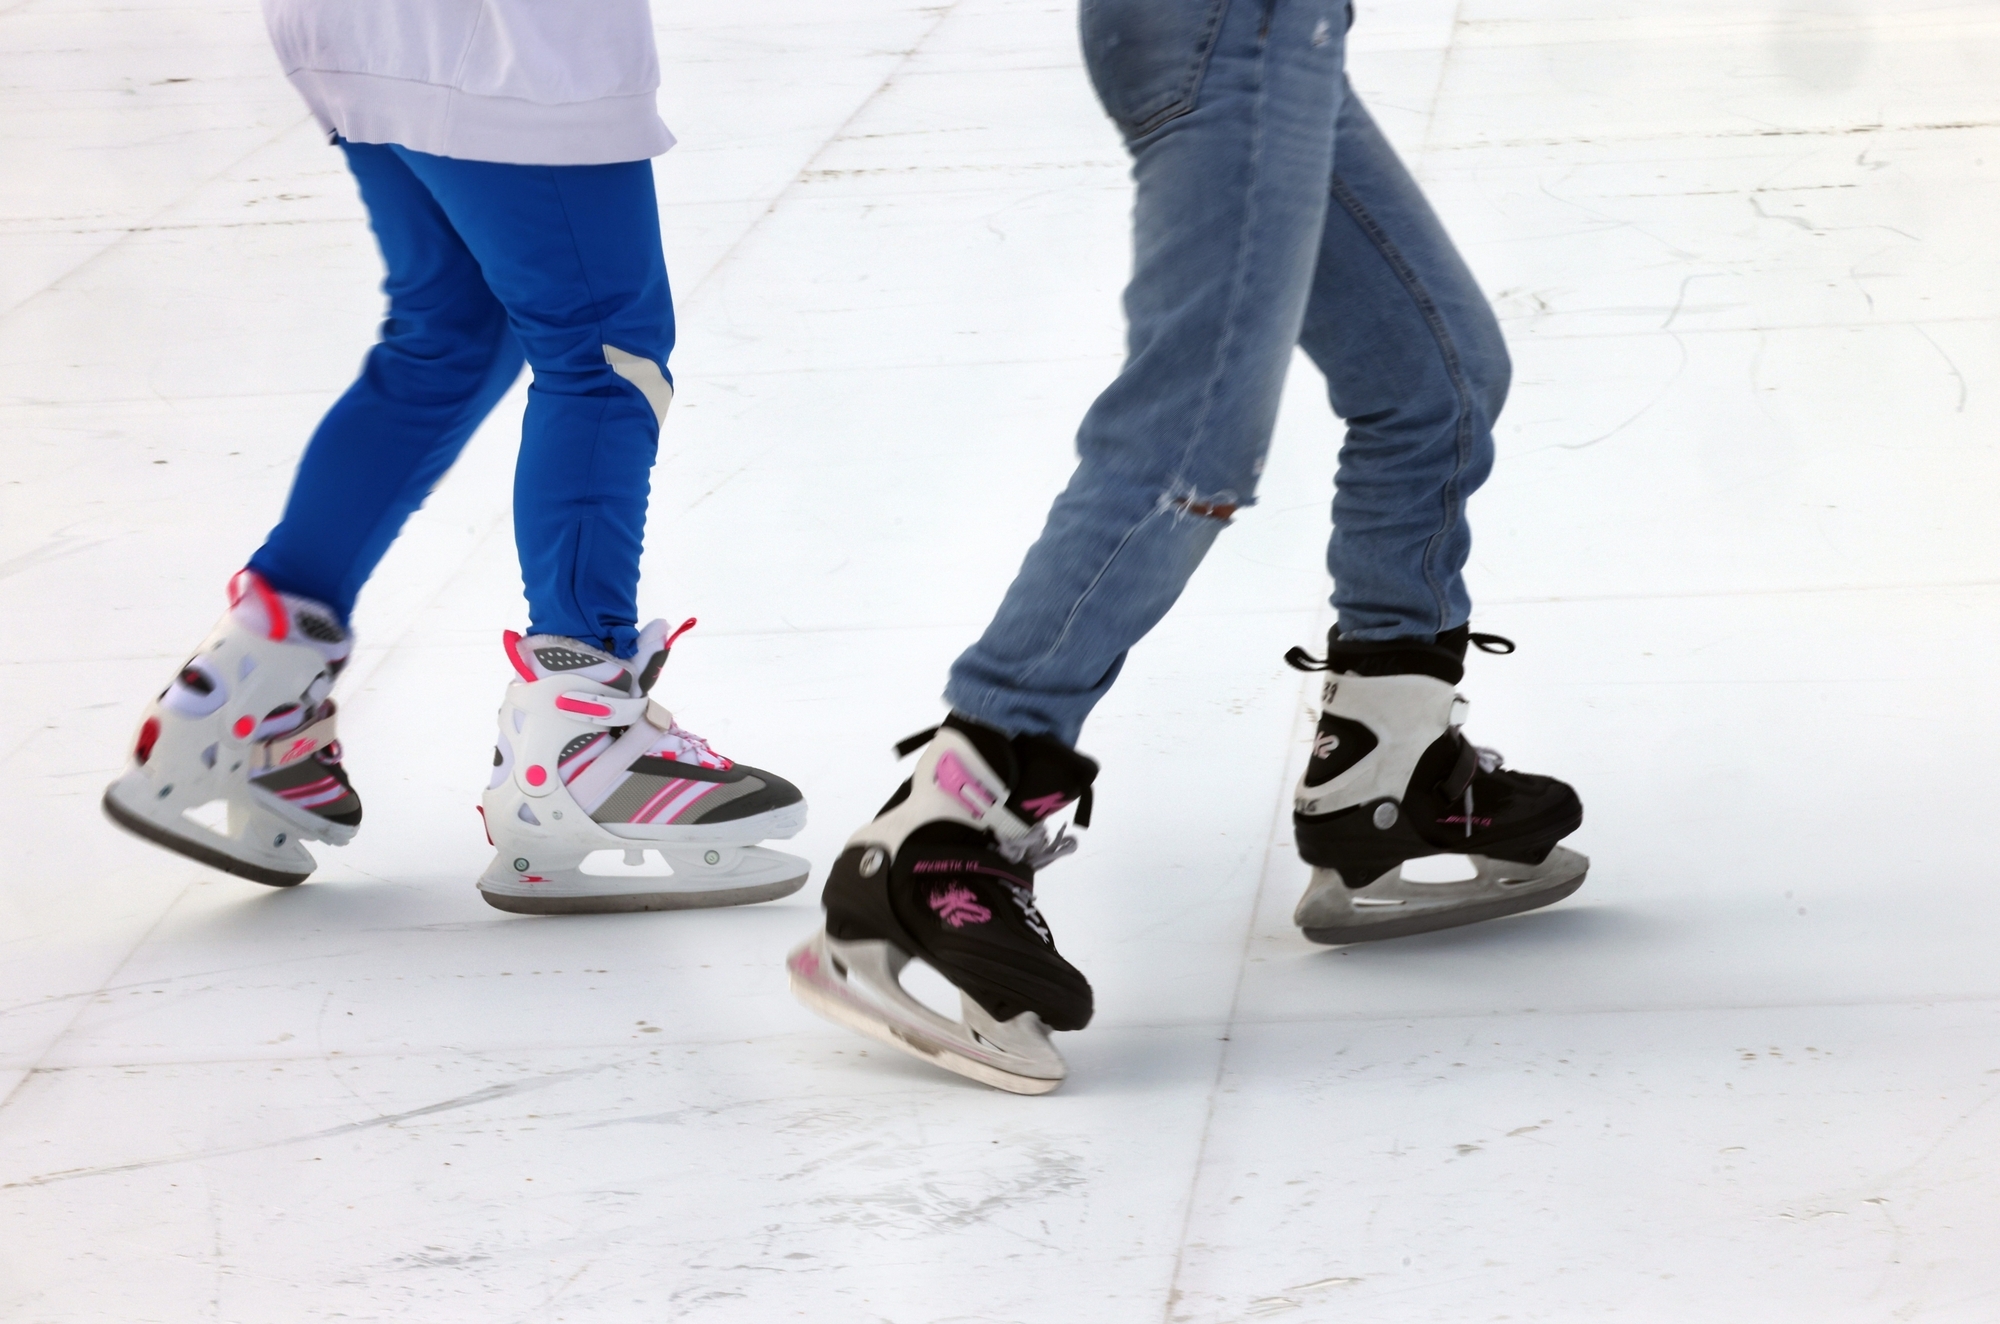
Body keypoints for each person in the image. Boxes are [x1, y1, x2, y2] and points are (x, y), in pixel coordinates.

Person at [786, 0, 1586, 1094]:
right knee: (1190, 441)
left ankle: (1381, 768)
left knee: (1433, 381)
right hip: (1225, 25)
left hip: (1279, 30)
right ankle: (943, 833)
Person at [102, 0, 810, 915]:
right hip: (505, 42)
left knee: (450, 338)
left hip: (358, 29)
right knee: (604, 355)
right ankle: (582, 744)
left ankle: (243, 702)